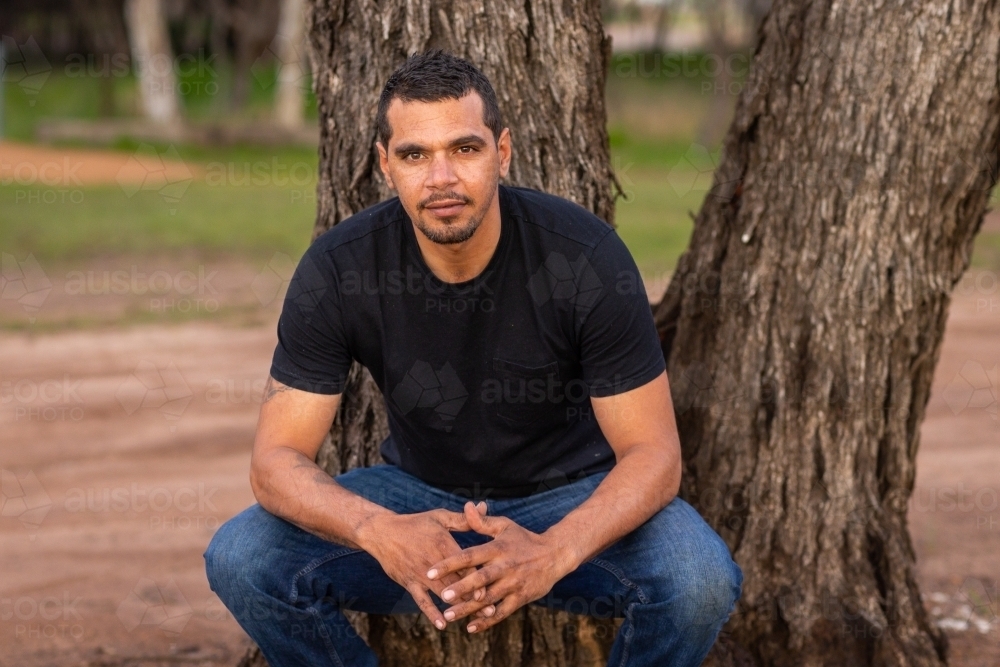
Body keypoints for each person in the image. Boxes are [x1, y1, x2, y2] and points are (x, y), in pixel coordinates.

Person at [204, 49, 742, 667]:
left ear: (502, 151)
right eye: (414, 155)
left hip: (570, 504)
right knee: (243, 558)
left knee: (696, 580)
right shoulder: (340, 270)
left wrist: (553, 553)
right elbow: (274, 461)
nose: (441, 179)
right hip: (415, 500)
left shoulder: (584, 257)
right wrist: (378, 531)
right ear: (386, 164)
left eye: (464, 149)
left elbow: (654, 456)